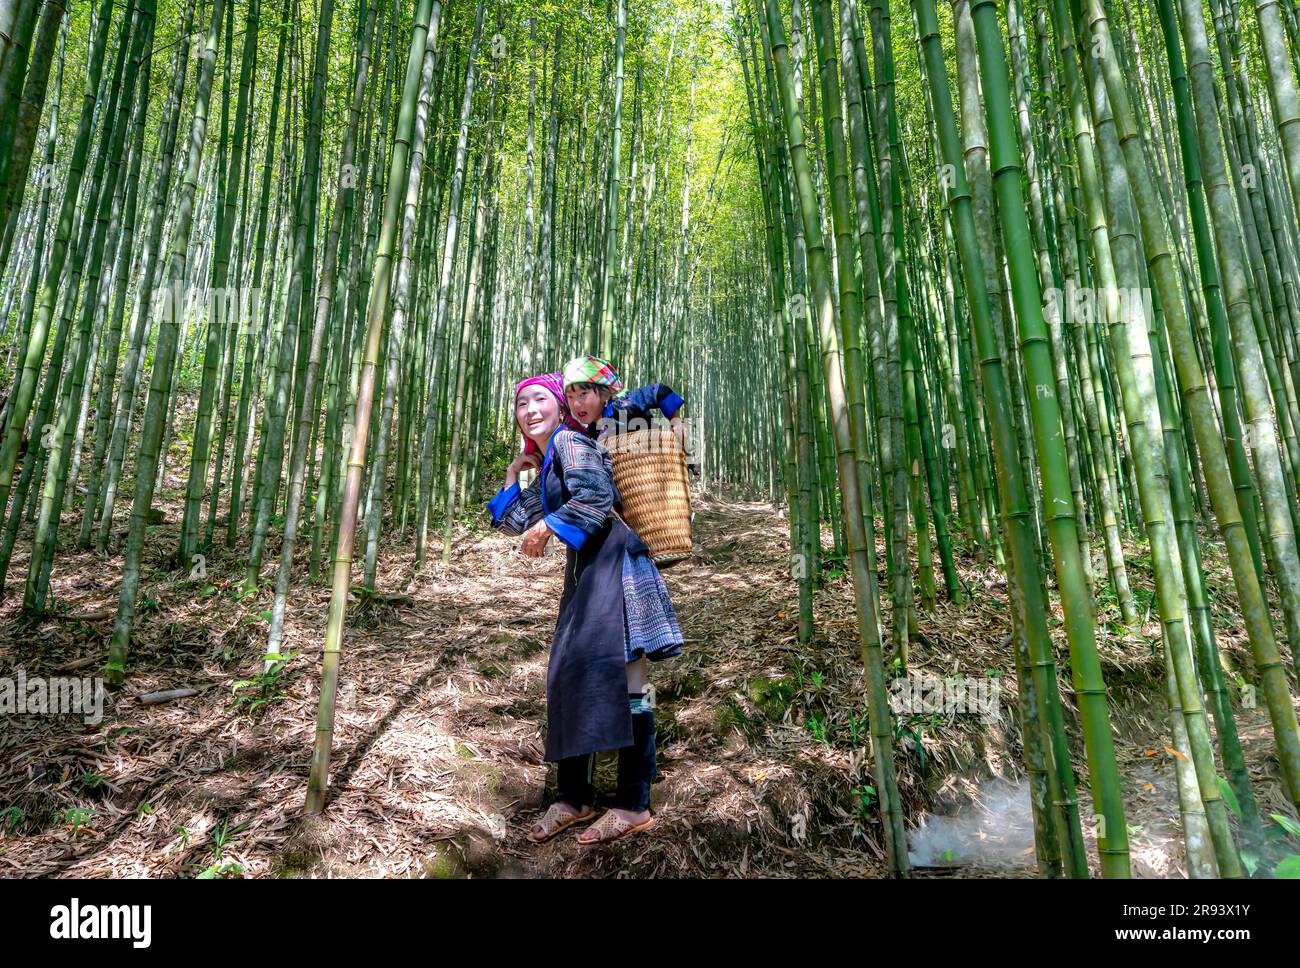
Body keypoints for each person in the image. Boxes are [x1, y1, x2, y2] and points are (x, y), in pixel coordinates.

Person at [486, 372, 684, 845]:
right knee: (569, 676)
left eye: (540, 399)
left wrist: (550, 527)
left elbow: (596, 498)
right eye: (521, 403)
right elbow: (520, 521)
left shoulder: (573, 445)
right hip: (587, 573)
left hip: (617, 566)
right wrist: (515, 477)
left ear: (559, 407)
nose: (530, 409)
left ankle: (633, 803)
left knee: (630, 681)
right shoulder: (554, 455)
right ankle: (575, 799)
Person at [561, 355, 689, 455]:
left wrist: (676, 422)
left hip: (658, 463)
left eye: (583, 394)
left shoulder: (624, 404)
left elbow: (659, 391)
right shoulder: (592, 430)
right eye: (570, 397)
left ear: (605, 394)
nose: (576, 404)